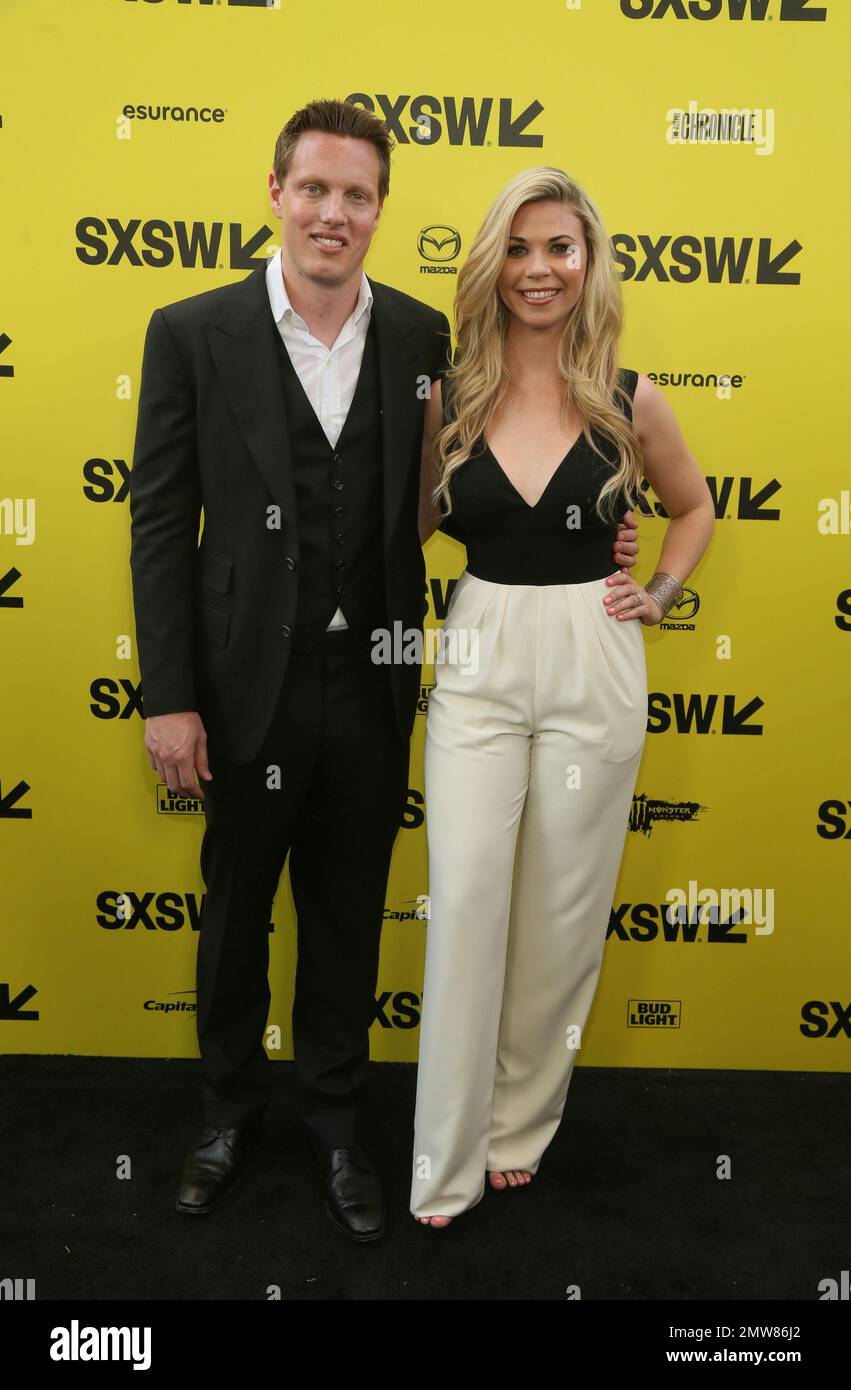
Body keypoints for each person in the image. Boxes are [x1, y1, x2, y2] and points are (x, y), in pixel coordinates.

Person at [129, 99, 639, 1244]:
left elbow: (491, 485)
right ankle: (224, 1112)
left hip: (374, 683)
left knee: (347, 913)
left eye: (356, 195)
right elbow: (160, 526)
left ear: (377, 210)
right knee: (232, 912)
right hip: (234, 688)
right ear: (275, 192)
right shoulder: (189, 331)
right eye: (313, 188)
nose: (332, 212)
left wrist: (594, 535)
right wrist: (168, 695)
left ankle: (336, 1123)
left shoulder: (421, 343)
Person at [412, 166, 715, 1228]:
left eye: (560, 249)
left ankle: (517, 1125)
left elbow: (692, 505)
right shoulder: (445, 397)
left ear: (588, 266)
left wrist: (660, 590)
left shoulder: (628, 399)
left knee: (558, 915)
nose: (539, 270)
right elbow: (401, 532)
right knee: (465, 907)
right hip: (481, 652)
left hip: (596, 653)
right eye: (521, 248)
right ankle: (440, 1157)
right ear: (492, 264)